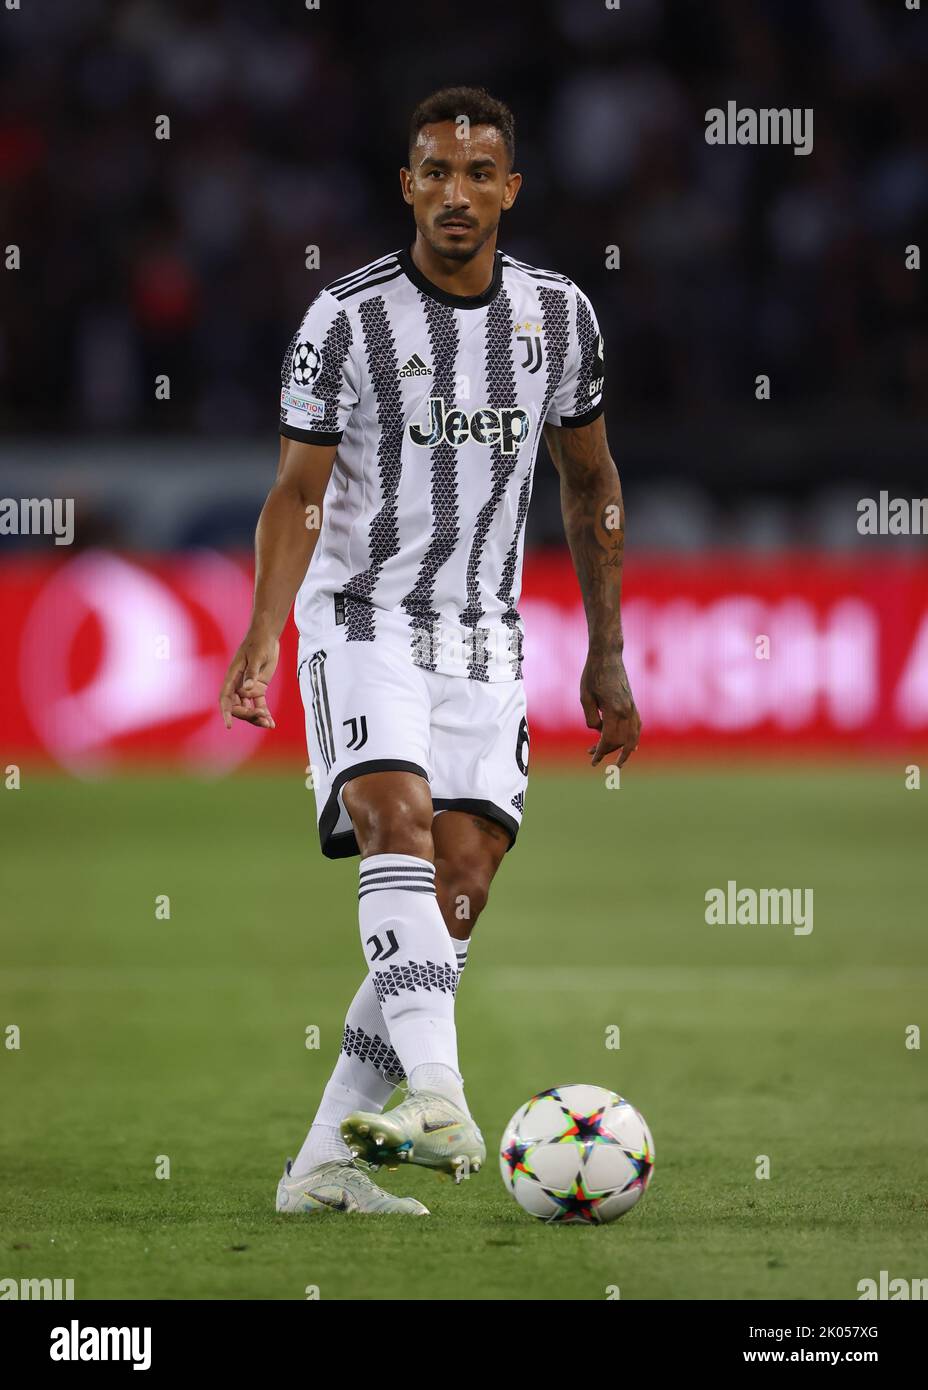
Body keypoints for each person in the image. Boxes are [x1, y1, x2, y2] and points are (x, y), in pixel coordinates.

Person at [219, 85, 640, 1216]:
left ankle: (322, 1165)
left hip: (486, 639)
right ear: (406, 185)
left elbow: (591, 481)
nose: (457, 192)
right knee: (392, 820)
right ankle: (442, 1096)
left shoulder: (559, 317)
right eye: (437, 172)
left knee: (456, 892)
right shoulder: (344, 319)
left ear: (511, 189)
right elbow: (296, 494)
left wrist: (607, 653)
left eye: (479, 173)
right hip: (361, 619)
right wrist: (264, 631)